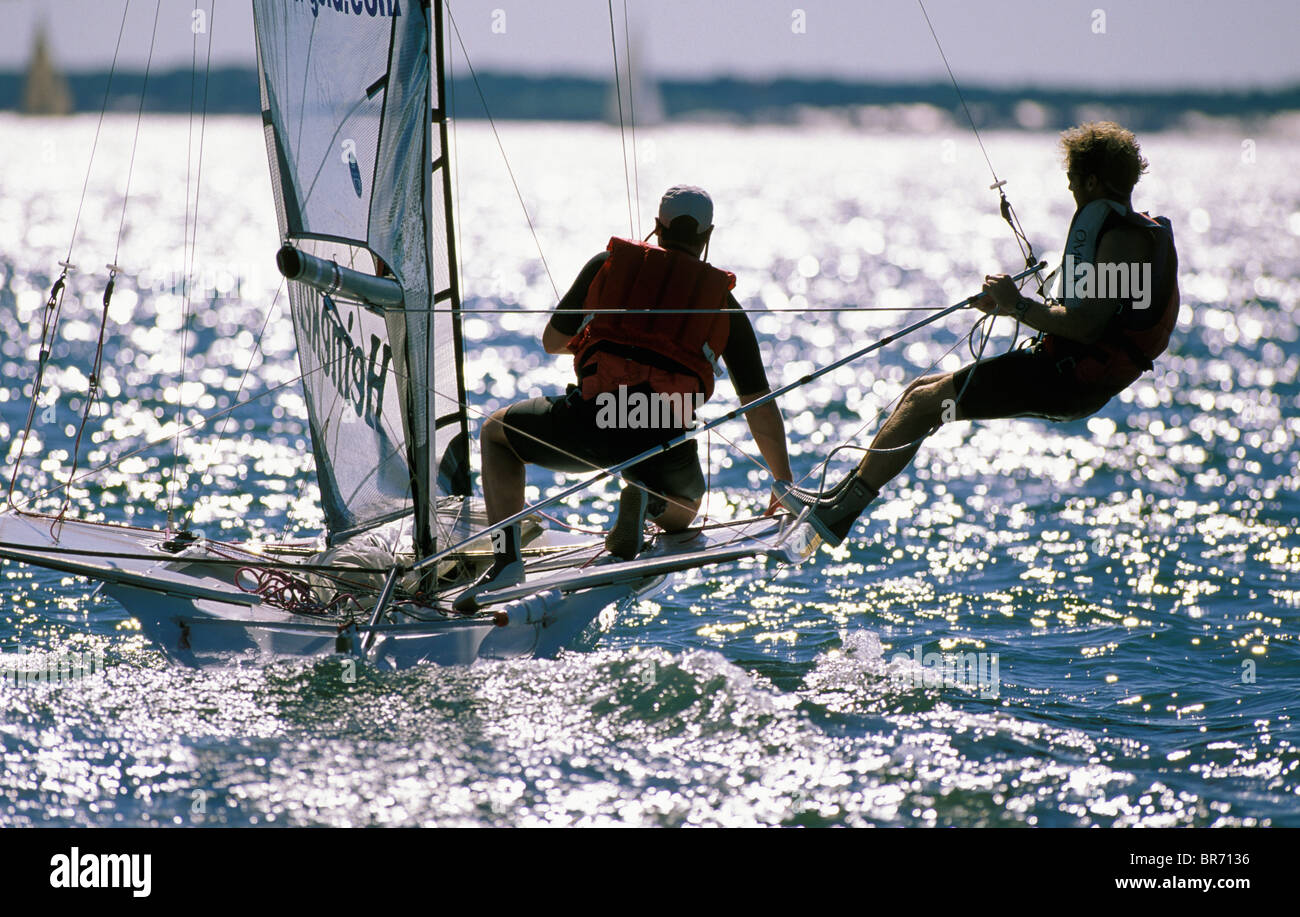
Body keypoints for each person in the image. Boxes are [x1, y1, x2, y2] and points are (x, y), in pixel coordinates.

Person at [779, 121, 1180, 546]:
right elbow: (1086, 315)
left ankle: (839, 515)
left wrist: (1018, 305)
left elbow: (1086, 326)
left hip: (1068, 380)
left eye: (1073, 183)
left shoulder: (1123, 242)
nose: (1072, 193)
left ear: (1092, 180)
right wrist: (1012, 307)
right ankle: (839, 498)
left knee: (922, 404)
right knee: (923, 391)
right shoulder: (1129, 231)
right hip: (1069, 374)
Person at [455, 185, 795, 611]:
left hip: (594, 420)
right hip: (661, 434)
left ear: (658, 227)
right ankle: (648, 501)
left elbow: (551, 341)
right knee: (684, 515)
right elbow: (758, 403)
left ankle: (507, 559)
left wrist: (598, 341)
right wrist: (782, 481)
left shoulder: (608, 266)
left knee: (495, 433)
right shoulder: (721, 303)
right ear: (707, 236)